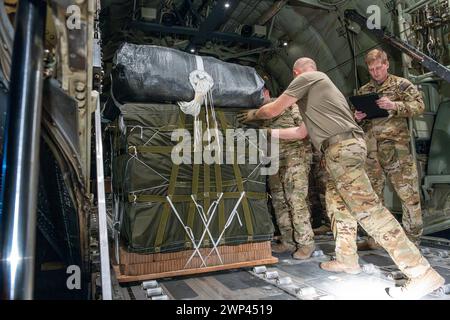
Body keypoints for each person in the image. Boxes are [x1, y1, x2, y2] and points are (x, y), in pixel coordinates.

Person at [237, 57, 444, 299]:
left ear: (296, 73)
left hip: (342, 149)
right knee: (338, 208)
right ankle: (347, 260)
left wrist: (253, 115)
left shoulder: (308, 78)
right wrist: (266, 132)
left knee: (370, 211)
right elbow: (300, 132)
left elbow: (272, 109)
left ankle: (421, 273)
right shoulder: (320, 94)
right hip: (341, 149)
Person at [355, 48, 425, 247]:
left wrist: (394, 105)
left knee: (408, 195)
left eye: (379, 67)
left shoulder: (402, 85)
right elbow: (361, 122)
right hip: (372, 152)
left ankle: (412, 241)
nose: (376, 72)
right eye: (371, 69)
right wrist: (357, 118)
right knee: (373, 199)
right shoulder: (364, 91)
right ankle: (377, 239)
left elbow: (419, 106)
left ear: (386, 64)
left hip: (396, 150)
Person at [257, 88, 315, 259]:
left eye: (259, 94)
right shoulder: (259, 113)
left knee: (296, 200)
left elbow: (303, 132)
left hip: (294, 158)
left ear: (266, 92)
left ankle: (306, 243)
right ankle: (288, 241)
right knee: (279, 201)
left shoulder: (288, 105)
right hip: (275, 161)